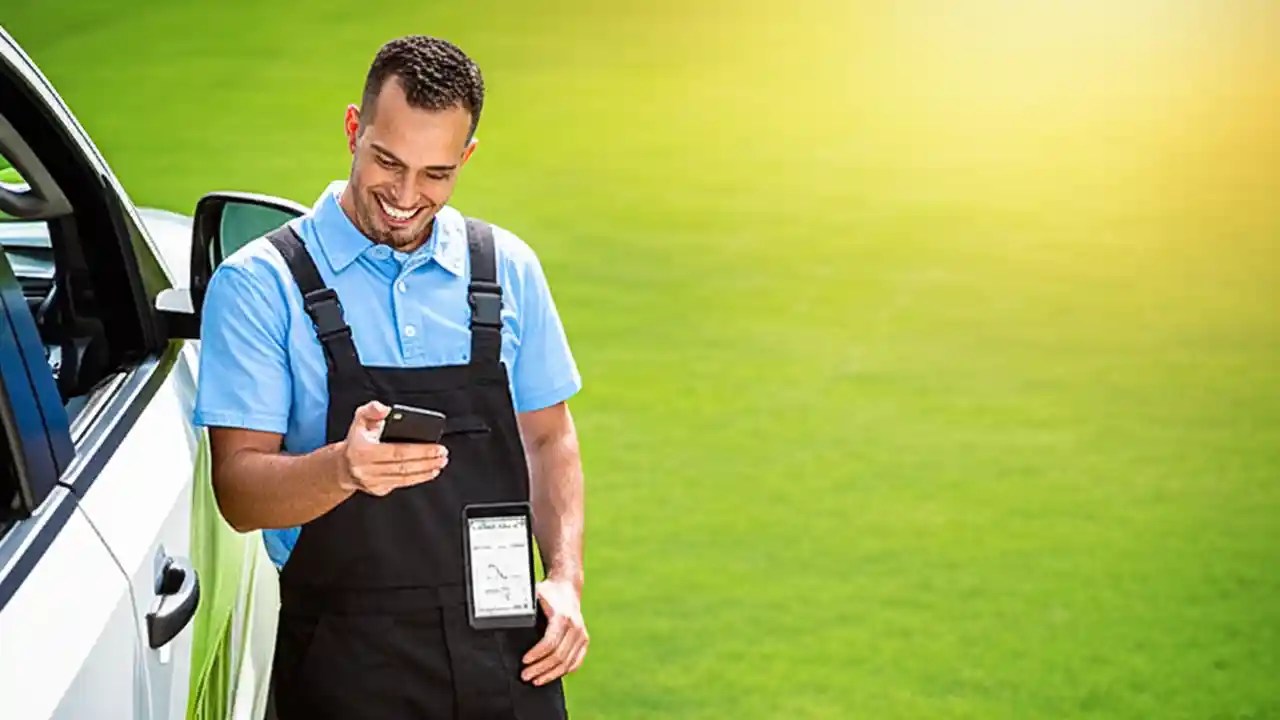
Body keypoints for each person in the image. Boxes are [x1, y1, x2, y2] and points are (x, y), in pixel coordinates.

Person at [192, 34, 587, 719]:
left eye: (436, 173)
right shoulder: (260, 285)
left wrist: (564, 577)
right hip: (348, 664)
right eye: (387, 161)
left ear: (466, 158)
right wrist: (343, 469)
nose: (406, 196)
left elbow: (548, 439)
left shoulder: (506, 269)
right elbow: (239, 489)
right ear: (354, 128)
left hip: (510, 652)